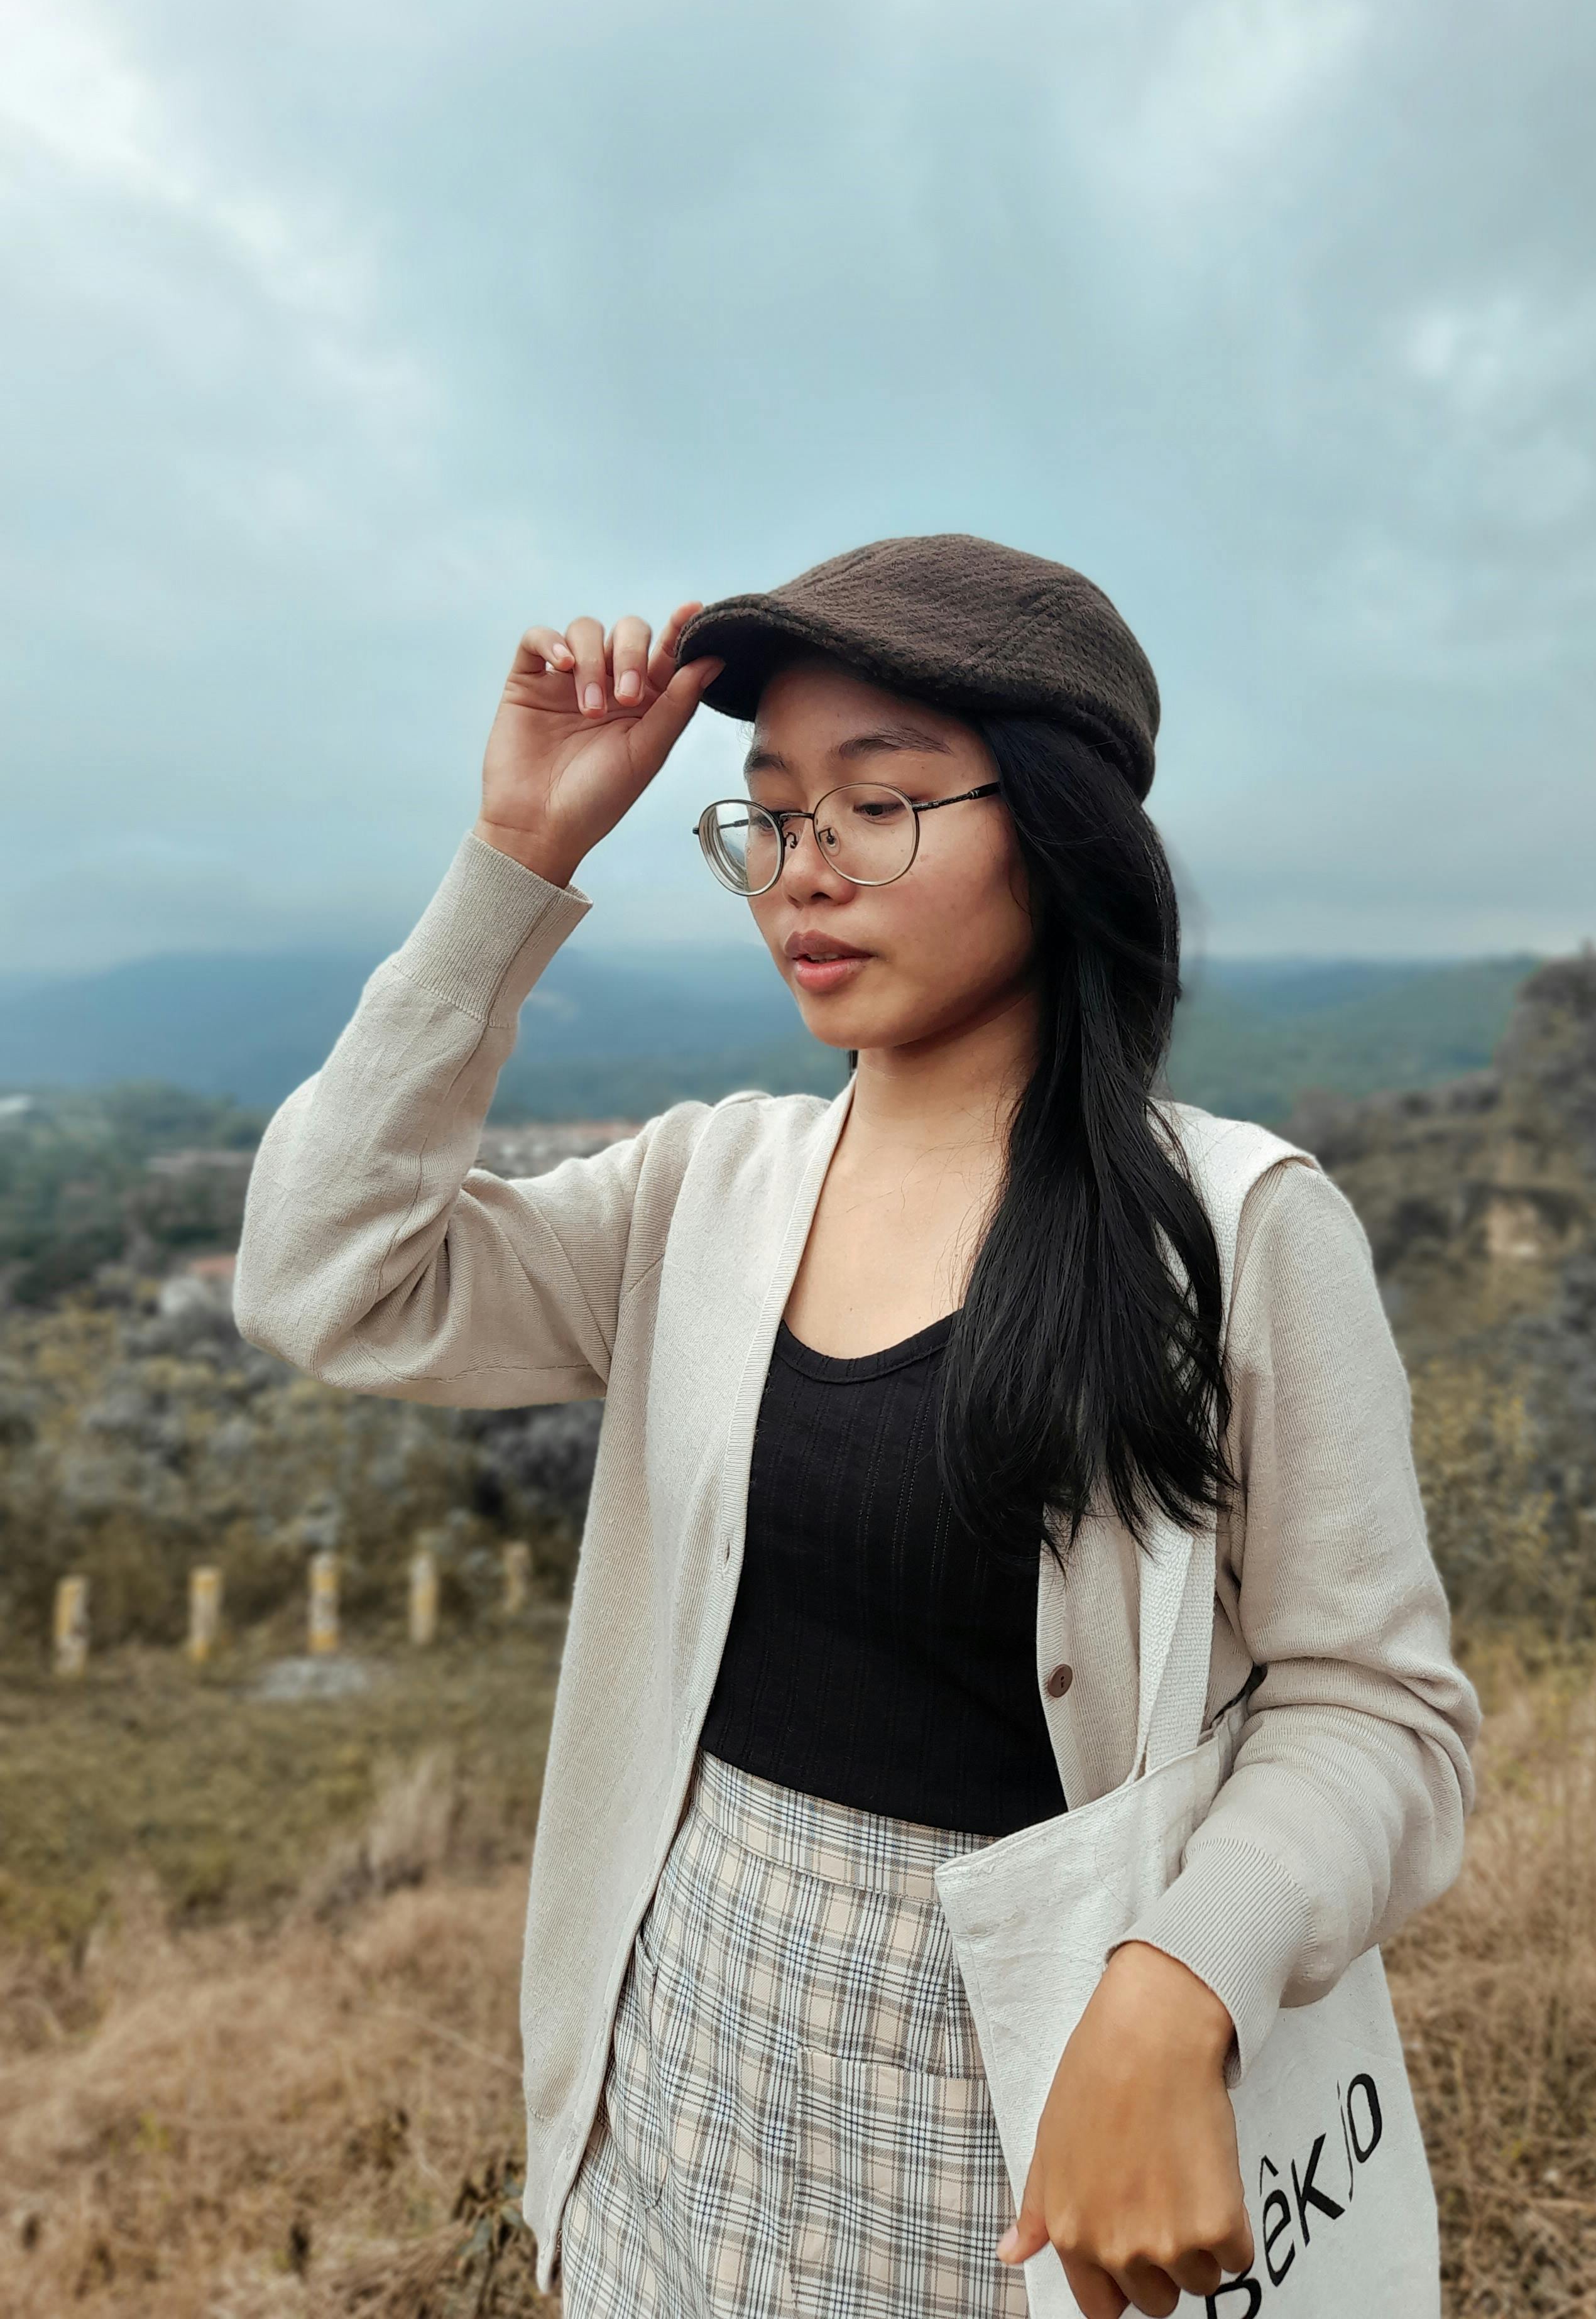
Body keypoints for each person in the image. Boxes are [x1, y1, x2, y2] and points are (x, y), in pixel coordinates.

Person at [232, 533, 1480, 2319]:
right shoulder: (700, 1192)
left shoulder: (1235, 1231)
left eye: (878, 806)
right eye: (767, 817)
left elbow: (1377, 1707)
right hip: (677, 2083)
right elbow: (324, 1279)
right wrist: (515, 858)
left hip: (1033, 2123)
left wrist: (1181, 1978)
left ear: (1055, 831)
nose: (802, 870)